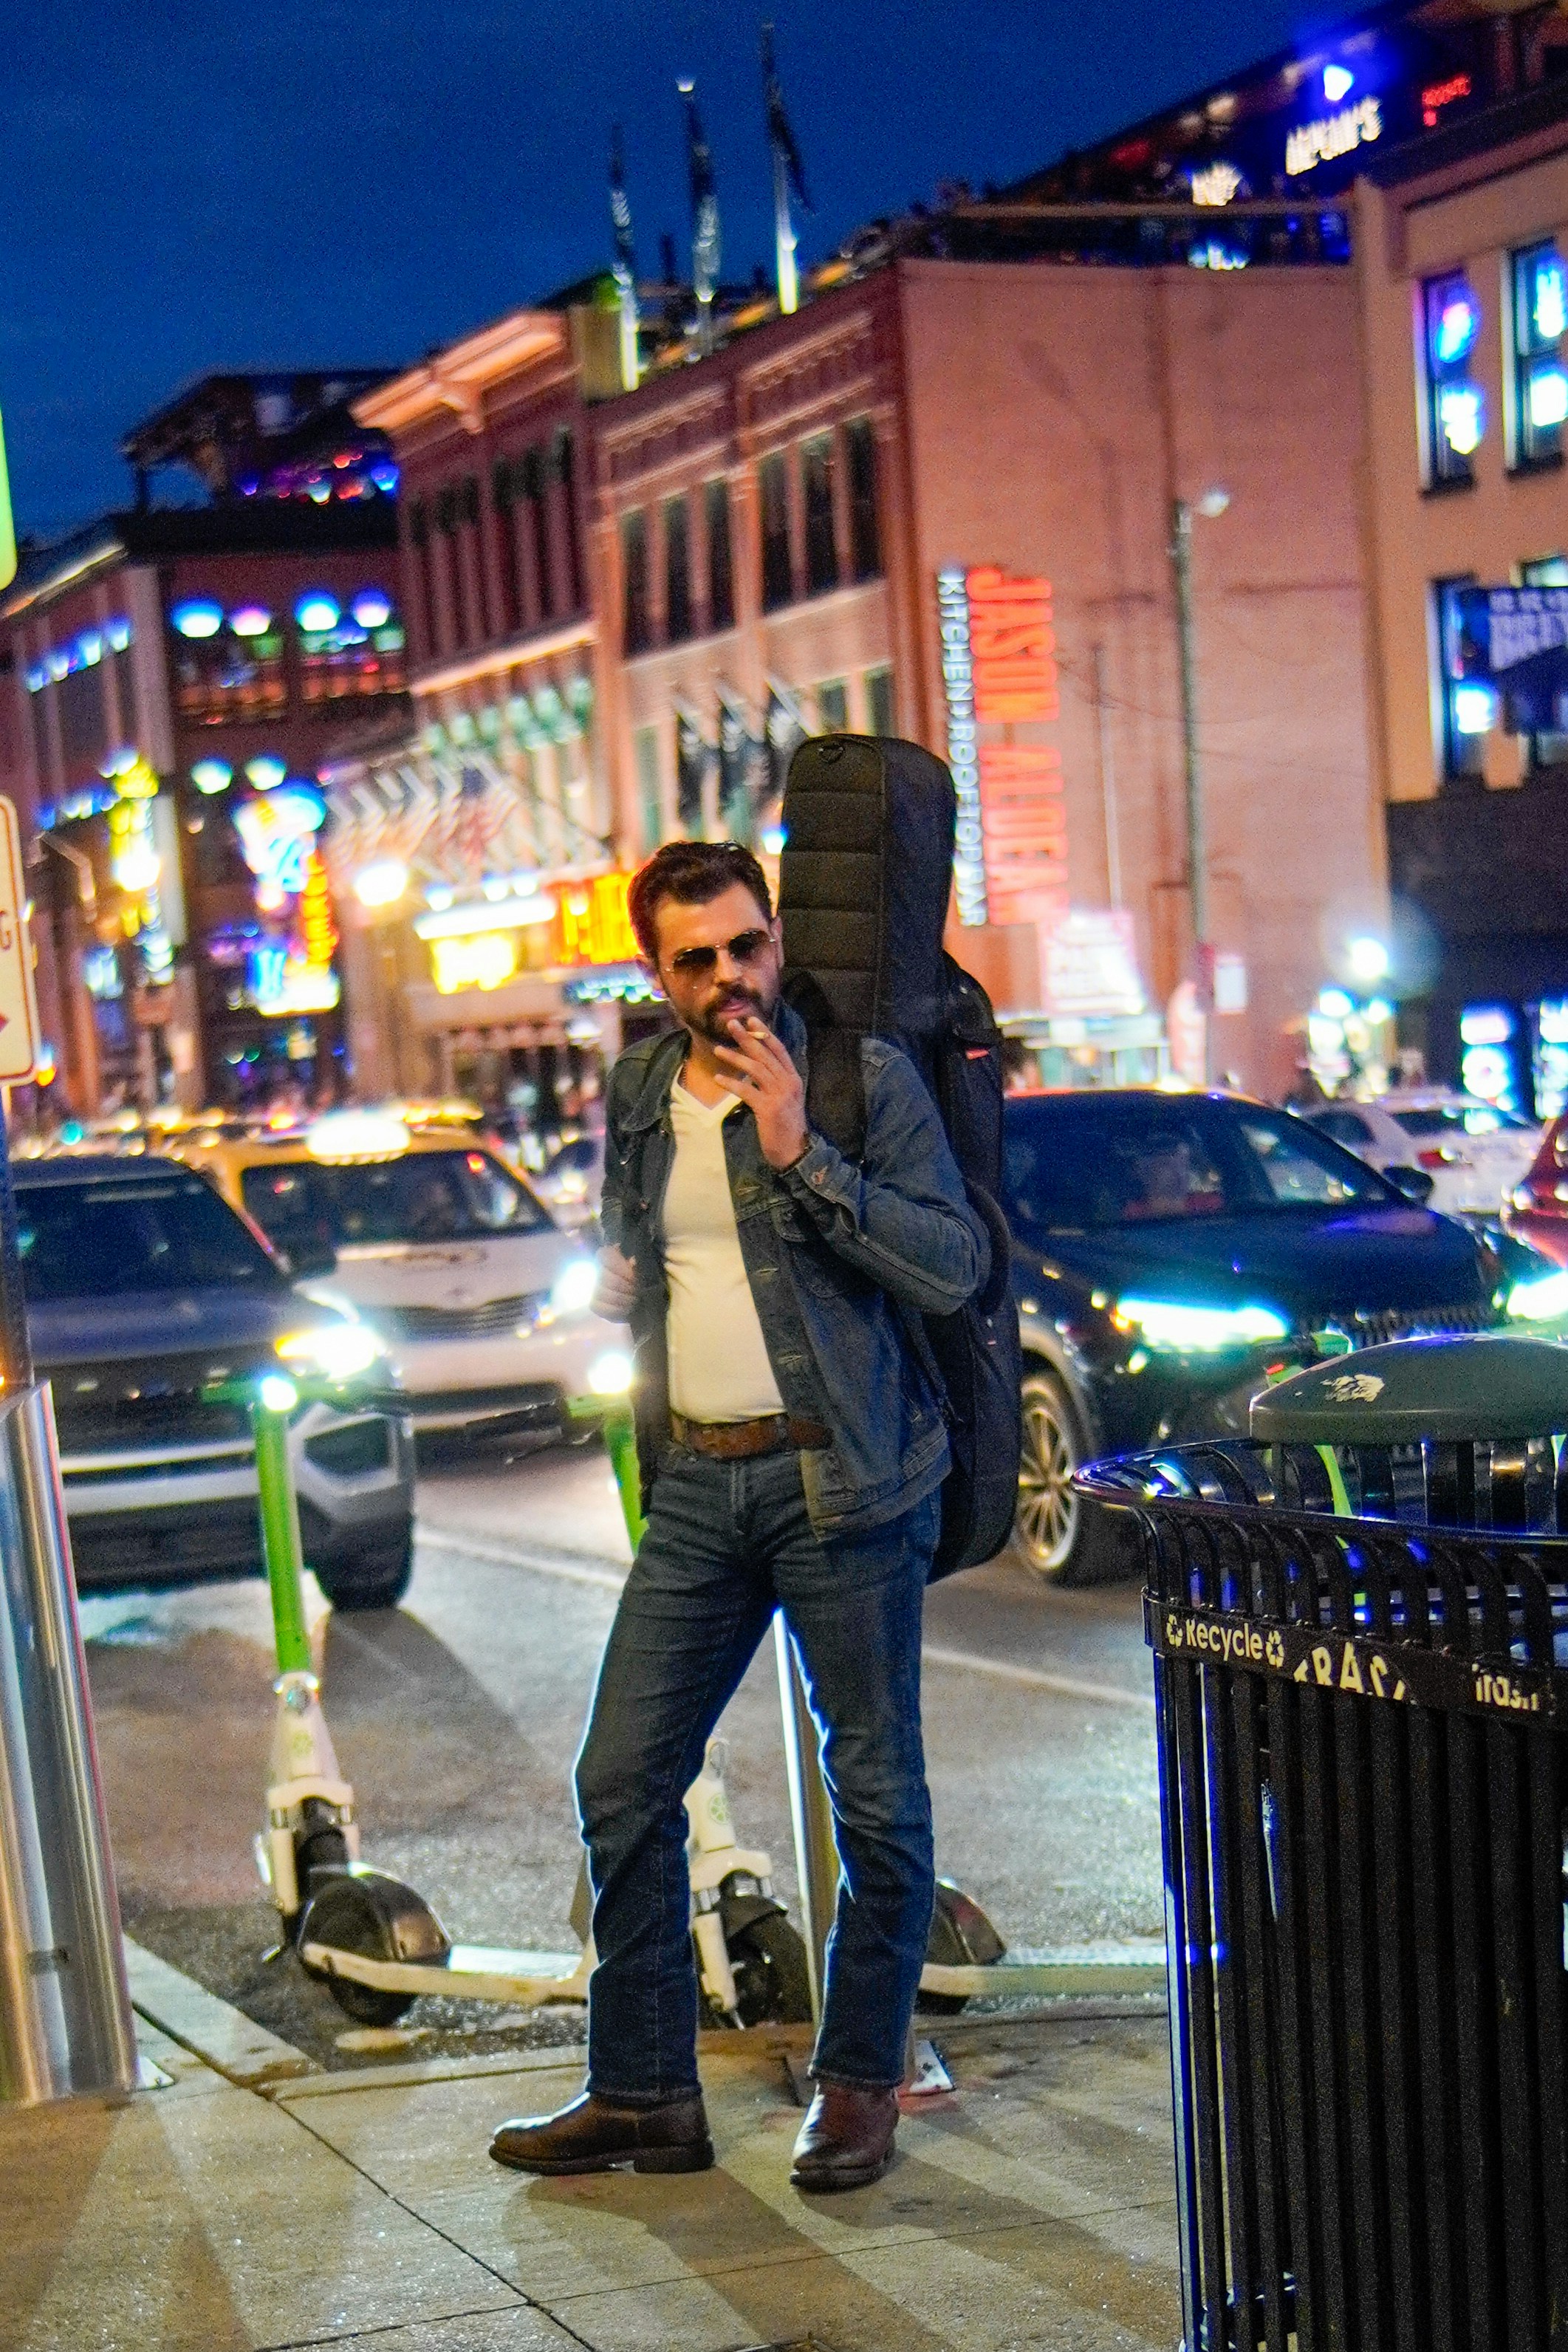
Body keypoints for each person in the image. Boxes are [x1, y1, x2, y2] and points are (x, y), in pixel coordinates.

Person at [489, 840, 987, 2193]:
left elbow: (953, 1264)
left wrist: (802, 1157)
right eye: (695, 959)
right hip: (700, 1487)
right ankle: (645, 2090)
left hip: (847, 1479)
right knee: (622, 1781)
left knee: (876, 1797)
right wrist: (614, 1288)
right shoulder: (643, 1087)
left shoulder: (857, 1080)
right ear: (658, 975)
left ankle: (858, 2084)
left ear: (777, 939)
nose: (730, 980)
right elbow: (635, 1245)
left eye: (746, 946)